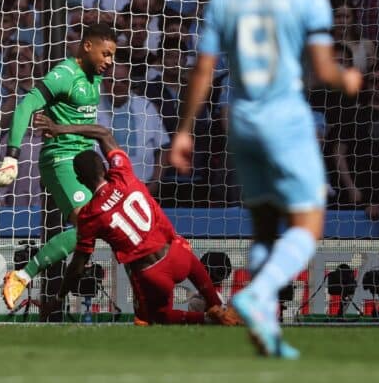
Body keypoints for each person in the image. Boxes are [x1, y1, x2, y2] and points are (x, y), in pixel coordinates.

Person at [169, 0, 362, 358]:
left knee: (263, 231)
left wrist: (183, 130)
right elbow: (324, 69)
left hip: (242, 121)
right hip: (286, 119)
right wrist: (348, 79)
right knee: (308, 226)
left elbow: (203, 68)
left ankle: (265, 335)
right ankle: (260, 293)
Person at [38, 115, 238, 325]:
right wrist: (60, 128)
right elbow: (103, 133)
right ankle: (218, 307)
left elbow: (78, 265)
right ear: (105, 169)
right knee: (192, 262)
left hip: (152, 274)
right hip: (177, 254)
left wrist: (58, 298)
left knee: (153, 317)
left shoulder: (89, 216)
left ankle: (207, 319)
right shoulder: (123, 174)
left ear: (79, 180)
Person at [0, 22, 118, 310]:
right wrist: (13, 156)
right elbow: (26, 106)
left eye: (112, 56)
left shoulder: (94, 76)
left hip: (87, 159)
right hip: (61, 160)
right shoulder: (64, 75)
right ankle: (22, 277)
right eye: (106, 54)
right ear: (87, 46)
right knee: (87, 226)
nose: (109, 62)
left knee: (104, 224)